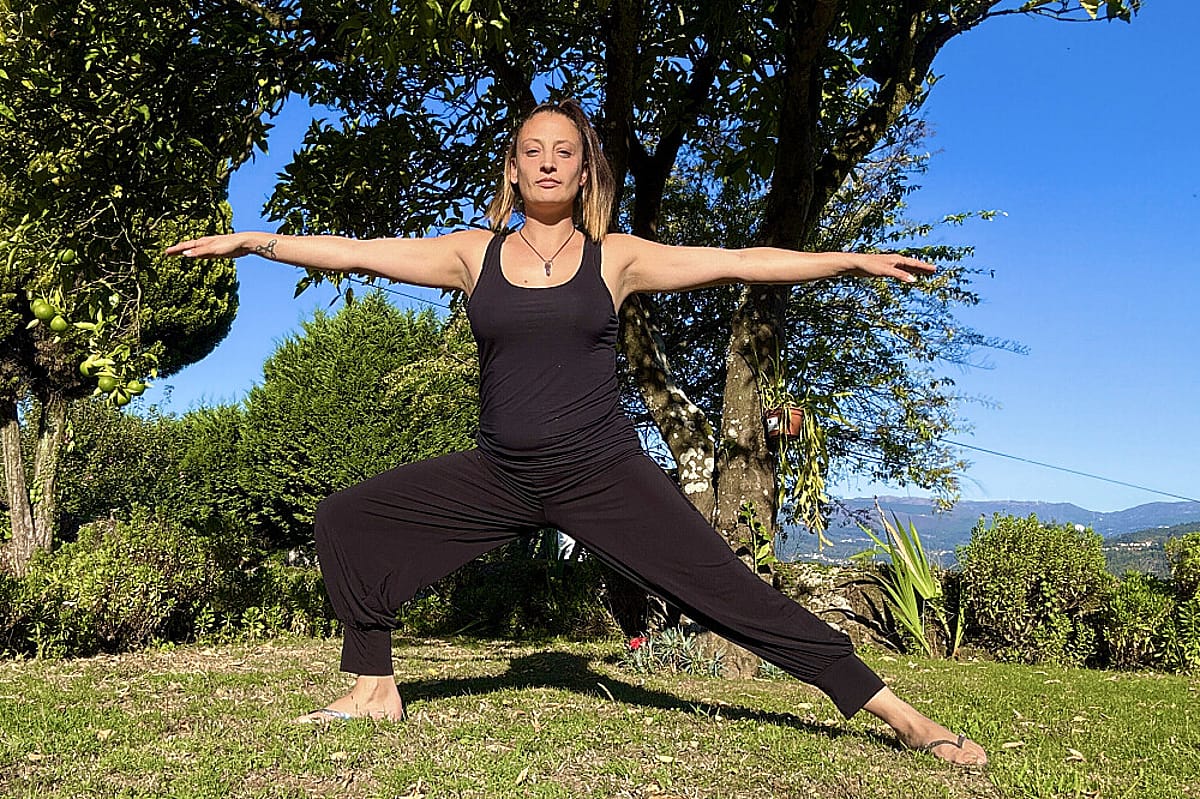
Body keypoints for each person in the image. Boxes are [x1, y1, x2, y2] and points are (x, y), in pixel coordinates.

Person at [167, 99, 987, 766]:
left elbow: (739, 258)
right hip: (501, 472)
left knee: (730, 591)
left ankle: (898, 713)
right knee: (347, 516)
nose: (550, 161)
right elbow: (356, 254)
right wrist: (251, 241)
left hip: (601, 471)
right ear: (515, 167)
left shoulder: (616, 256)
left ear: (585, 167)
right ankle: (373, 685)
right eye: (534, 149)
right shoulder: (469, 253)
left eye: (565, 150)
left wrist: (846, 261)